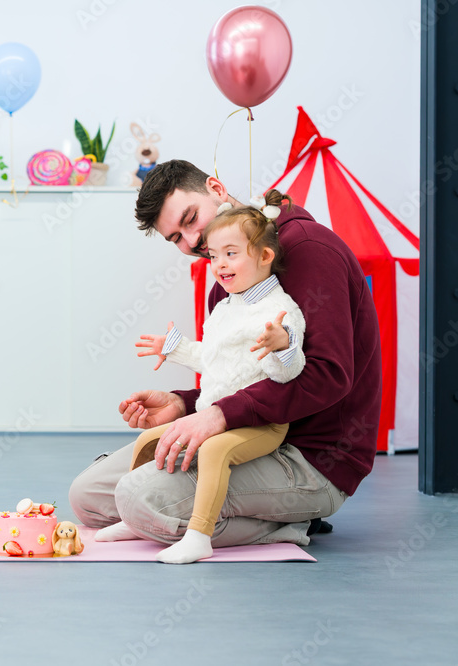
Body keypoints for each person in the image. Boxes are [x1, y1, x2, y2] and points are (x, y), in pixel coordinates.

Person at [68, 159, 381, 551]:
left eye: (190, 218)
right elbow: (237, 377)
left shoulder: (309, 249)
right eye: (176, 238)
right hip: (241, 434)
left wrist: (217, 415)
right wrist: (182, 406)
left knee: (138, 499)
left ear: (216, 189)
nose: (192, 240)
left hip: (311, 459)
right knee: (88, 497)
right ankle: (194, 516)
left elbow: (328, 375)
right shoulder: (225, 283)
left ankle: (289, 523)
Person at [129, 194, 306, 563]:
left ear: (264, 256)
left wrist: (282, 346)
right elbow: (213, 359)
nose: (219, 264)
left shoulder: (280, 311)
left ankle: (199, 534)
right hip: (218, 413)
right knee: (148, 439)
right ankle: (131, 520)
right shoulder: (226, 306)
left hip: (262, 423)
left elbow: (288, 373)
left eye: (231, 254)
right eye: (213, 256)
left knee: (214, 450)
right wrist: (174, 347)